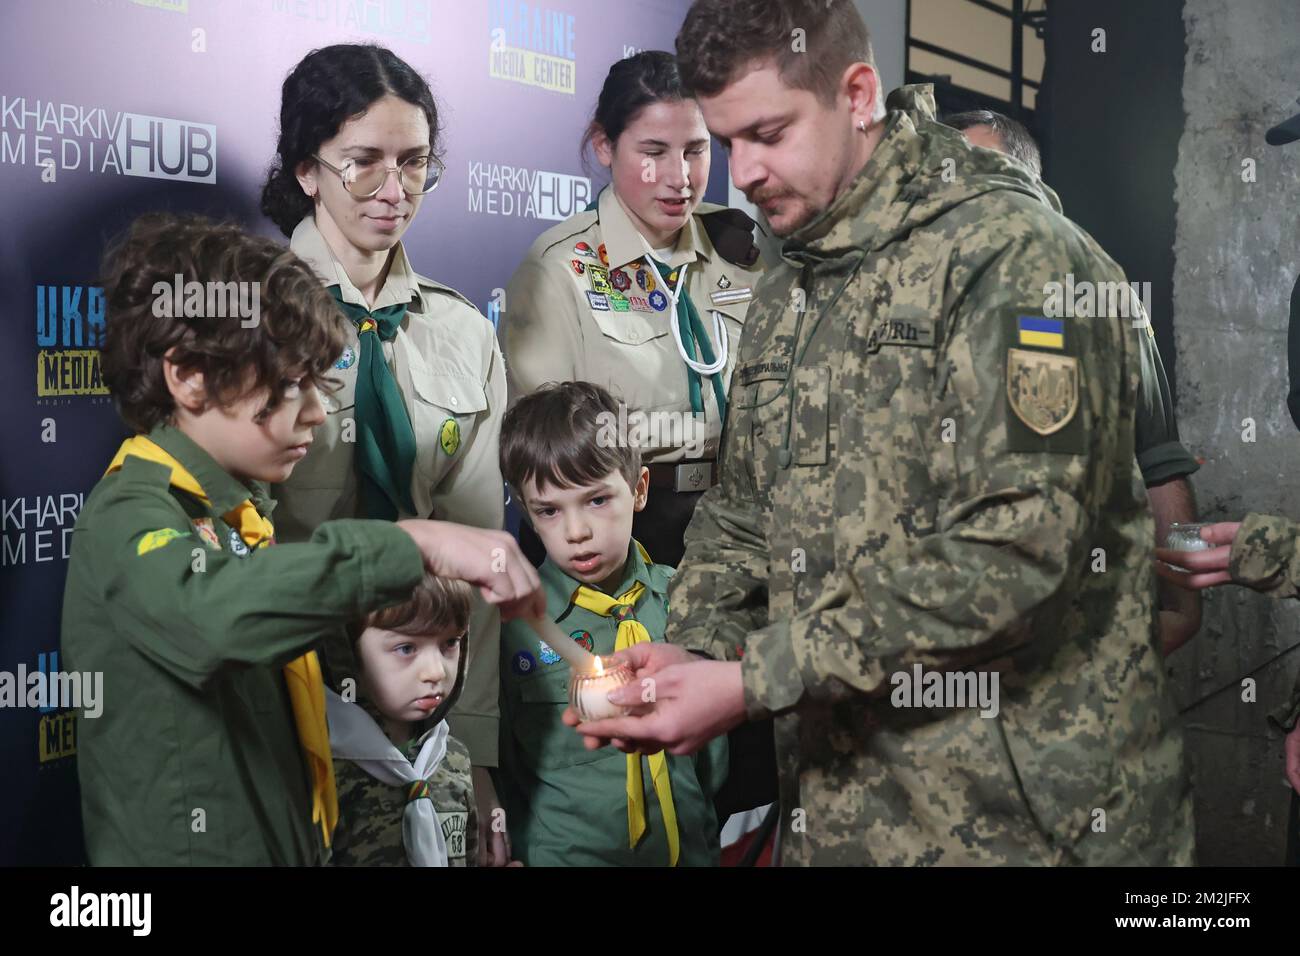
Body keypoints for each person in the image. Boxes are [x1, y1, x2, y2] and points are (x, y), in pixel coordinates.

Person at [568, 0, 1193, 866]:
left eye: (768, 133)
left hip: (1021, 827)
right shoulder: (792, 282)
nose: (740, 173)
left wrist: (752, 679)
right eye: (727, 140)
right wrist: (696, 649)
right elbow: (745, 508)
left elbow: (1017, 551)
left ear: (858, 93)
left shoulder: (1018, 260)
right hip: (840, 814)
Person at [62, 213, 541, 865]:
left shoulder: (239, 514)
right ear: (188, 377)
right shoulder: (132, 512)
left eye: (316, 383)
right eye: (288, 385)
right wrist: (415, 545)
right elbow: (216, 614)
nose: (315, 412)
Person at [260, 44, 511, 864]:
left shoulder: (464, 332)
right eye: (363, 163)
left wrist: (470, 757)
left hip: (419, 713)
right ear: (308, 169)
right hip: (280, 695)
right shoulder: (248, 315)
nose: (393, 189)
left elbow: (478, 563)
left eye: (414, 163)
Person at [944, 106, 1203, 655]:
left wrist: (1182, 605)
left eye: (982, 175)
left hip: (1082, 642)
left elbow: (1159, 460)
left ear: (1030, 186)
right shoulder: (913, 305)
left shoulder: (1104, 297)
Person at [501, 50, 767, 568]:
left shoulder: (740, 253)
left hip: (734, 522)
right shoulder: (559, 267)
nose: (680, 177)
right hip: (618, 531)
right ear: (604, 144)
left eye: (695, 150)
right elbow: (545, 449)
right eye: (654, 152)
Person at [495, 382, 727, 866]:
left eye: (597, 500)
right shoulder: (510, 626)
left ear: (639, 489)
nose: (577, 532)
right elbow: (505, 767)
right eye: (549, 511)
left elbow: (714, 759)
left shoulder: (688, 599)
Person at [328, 574, 481, 867]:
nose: (436, 672)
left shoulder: (455, 758)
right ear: (348, 652)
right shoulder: (323, 770)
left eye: (450, 643)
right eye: (407, 648)